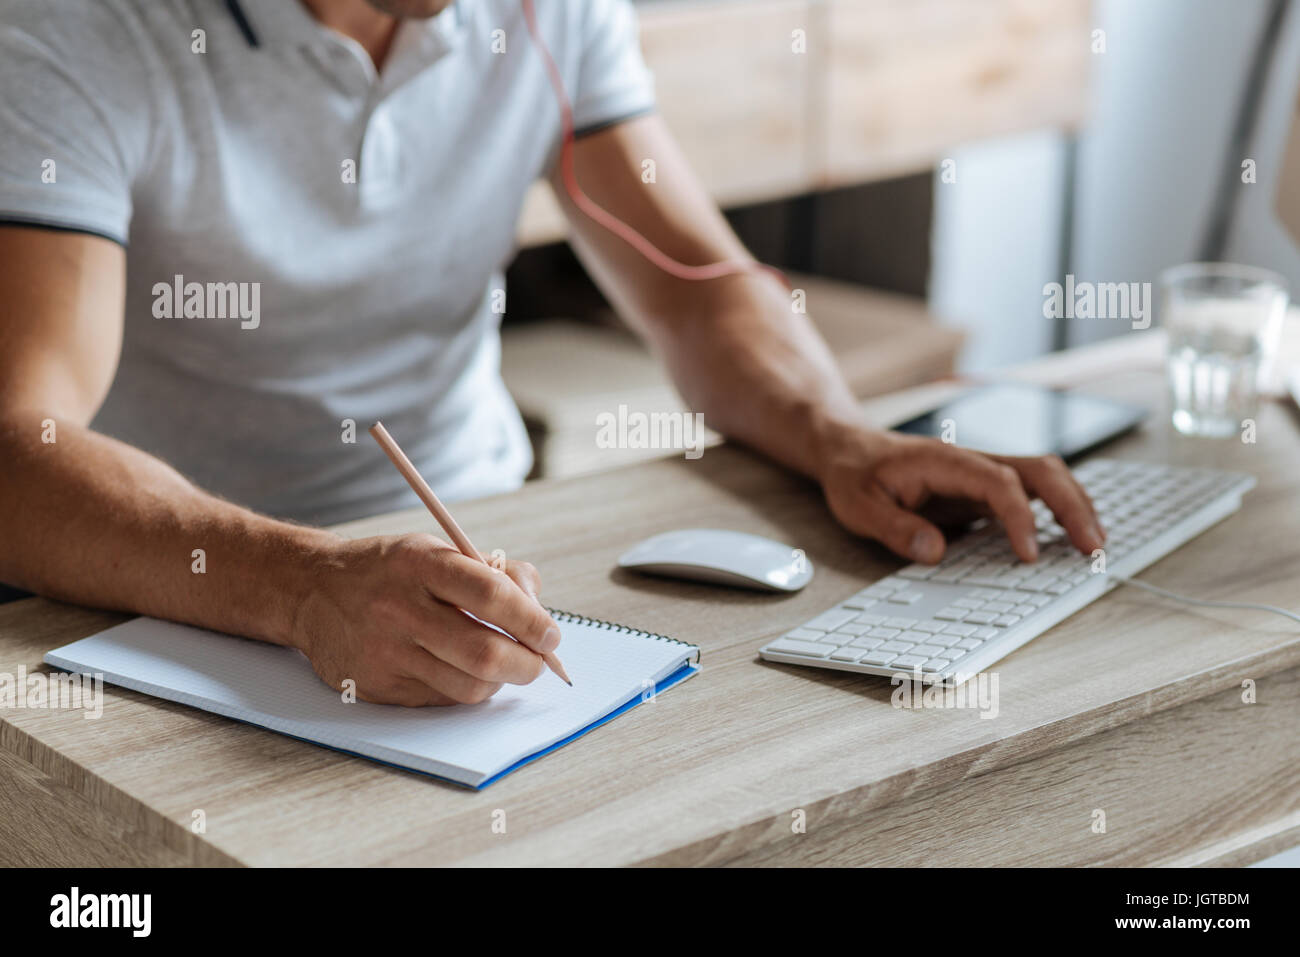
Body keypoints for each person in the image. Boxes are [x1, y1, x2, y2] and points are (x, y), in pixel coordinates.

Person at [0, 0, 1103, 706]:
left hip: (486, 546)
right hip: (173, 599)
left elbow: (695, 287)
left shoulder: (543, 11)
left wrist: (838, 435)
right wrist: (303, 586)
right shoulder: (73, 31)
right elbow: (19, 444)